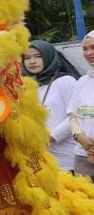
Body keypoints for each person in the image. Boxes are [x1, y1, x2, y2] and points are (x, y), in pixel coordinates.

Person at [23, 40, 77, 173]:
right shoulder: (25, 86)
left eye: (38, 56)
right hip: (40, 160)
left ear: (48, 56)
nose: (32, 61)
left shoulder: (66, 81)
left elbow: (75, 116)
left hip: (67, 159)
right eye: (27, 57)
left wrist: (50, 138)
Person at [67, 31, 94, 179]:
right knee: (86, 200)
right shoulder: (83, 81)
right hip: (83, 156)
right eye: (85, 49)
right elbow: (72, 115)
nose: (89, 53)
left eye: (93, 48)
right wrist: (80, 137)